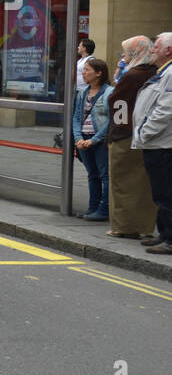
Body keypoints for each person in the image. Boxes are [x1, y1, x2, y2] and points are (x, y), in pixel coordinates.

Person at [106, 37, 158, 239]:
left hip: (125, 135)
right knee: (143, 183)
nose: (123, 57)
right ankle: (144, 225)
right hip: (144, 133)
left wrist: (116, 132)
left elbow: (118, 104)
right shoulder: (153, 72)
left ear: (135, 53)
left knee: (122, 182)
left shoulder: (133, 75)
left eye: (126, 52)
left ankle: (125, 226)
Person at [132, 32, 172, 254]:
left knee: (166, 192)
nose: (152, 50)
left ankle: (170, 239)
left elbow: (165, 110)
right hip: (156, 143)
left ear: (168, 50)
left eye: (156, 46)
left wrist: (145, 133)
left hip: (162, 144)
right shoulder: (163, 71)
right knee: (160, 192)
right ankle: (164, 233)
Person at [72, 57, 113, 221]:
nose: (83, 73)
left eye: (87, 70)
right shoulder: (82, 92)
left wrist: (93, 140)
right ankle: (92, 208)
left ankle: (104, 210)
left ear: (99, 73)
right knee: (92, 175)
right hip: (84, 139)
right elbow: (76, 116)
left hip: (100, 141)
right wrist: (78, 138)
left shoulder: (110, 92)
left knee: (104, 175)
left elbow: (111, 120)